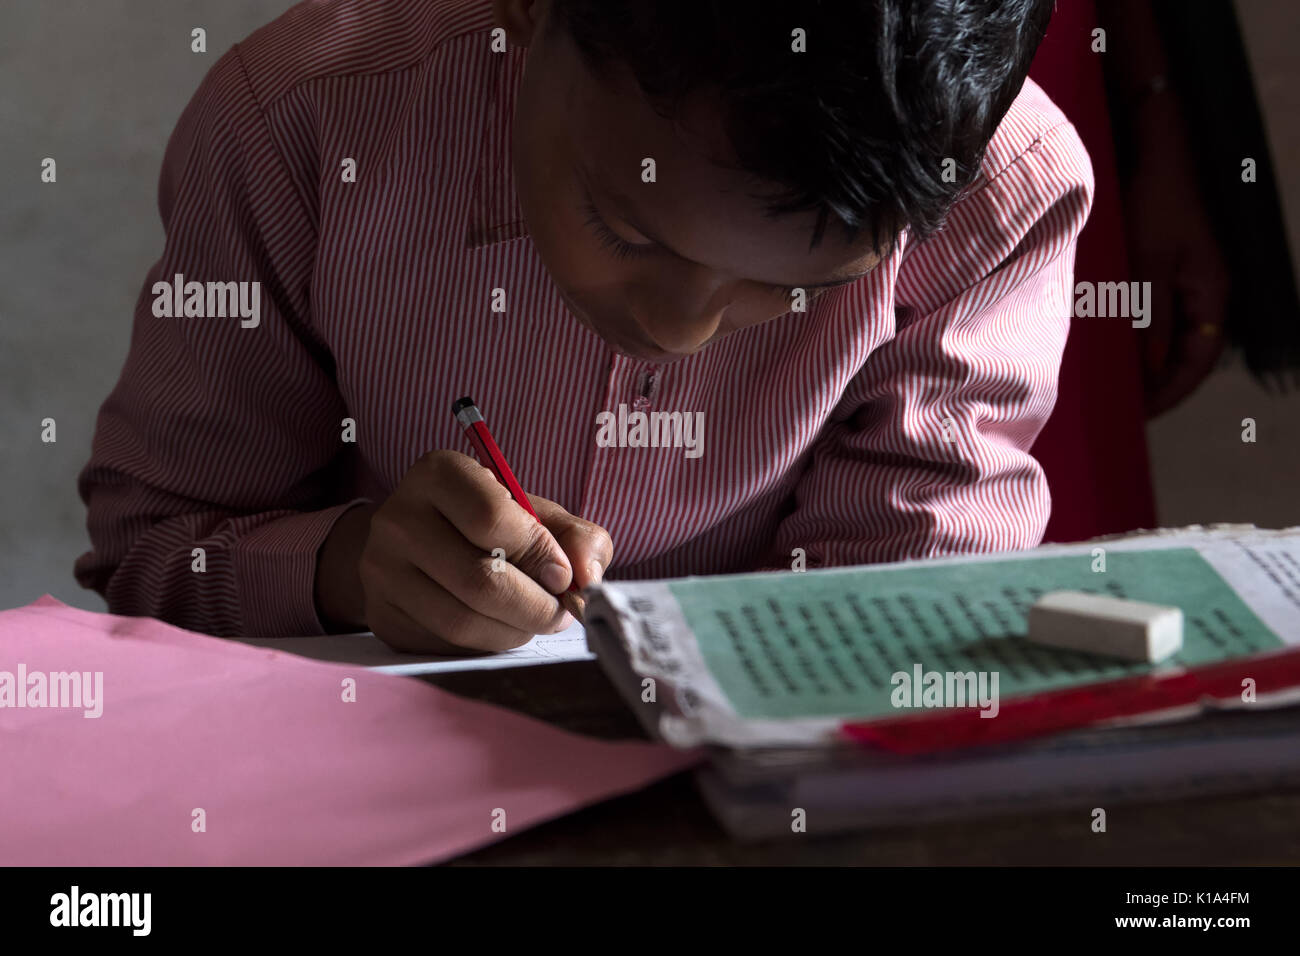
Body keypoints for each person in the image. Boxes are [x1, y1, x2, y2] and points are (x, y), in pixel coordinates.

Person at [76, 0, 1089, 652]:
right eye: (622, 224)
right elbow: (154, 549)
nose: (679, 327)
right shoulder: (299, 125)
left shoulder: (998, 203)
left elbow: (890, 627)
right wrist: (353, 566)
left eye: (799, 290)